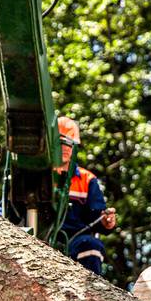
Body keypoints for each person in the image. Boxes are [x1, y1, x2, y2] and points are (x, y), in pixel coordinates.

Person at [54, 116, 115, 275]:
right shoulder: (38, 174)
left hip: (76, 240)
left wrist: (106, 222)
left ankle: (91, 296)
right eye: (61, 142)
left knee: (92, 246)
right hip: (42, 238)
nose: (66, 147)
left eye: (70, 143)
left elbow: (96, 217)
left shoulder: (88, 180)